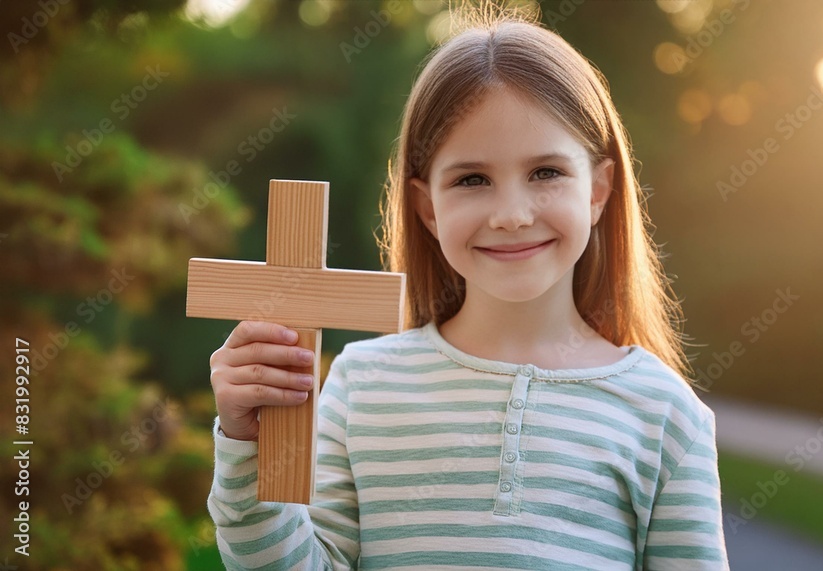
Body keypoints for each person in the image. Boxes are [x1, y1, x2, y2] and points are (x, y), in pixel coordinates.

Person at [206, 4, 729, 570]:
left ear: (598, 190)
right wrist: (247, 446)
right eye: (472, 179)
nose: (511, 214)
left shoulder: (666, 415)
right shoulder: (363, 386)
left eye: (546, 173)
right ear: (427, 208)